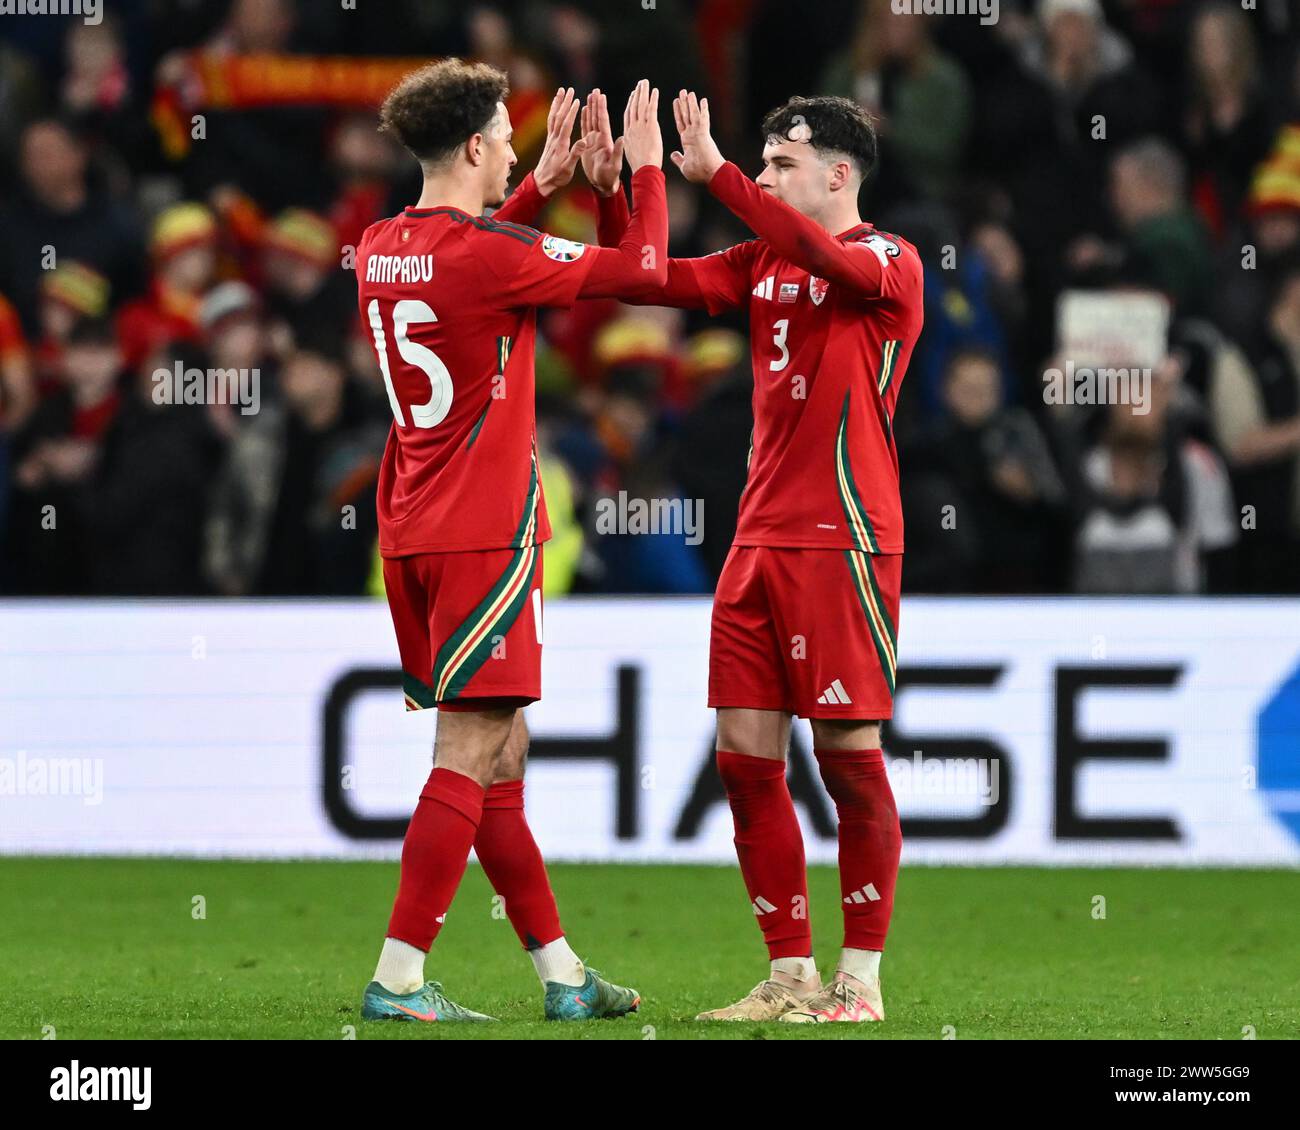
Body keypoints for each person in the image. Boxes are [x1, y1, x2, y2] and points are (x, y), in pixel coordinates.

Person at [574, 89, 922, 1022]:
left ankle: (862, 980)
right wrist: (628, 187)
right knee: (743, 760)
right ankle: (790, 974)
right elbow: (645, 282)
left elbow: (820, 253)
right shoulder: (761, 260)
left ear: (839, 174)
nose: (764, 177)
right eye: (760, 164)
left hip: (843, 539)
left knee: (848, 756)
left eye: (781, 164)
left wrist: (718, 175)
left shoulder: (890, 260)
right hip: (756, 539)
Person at [353, 65, 667, 1023]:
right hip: (483, 533)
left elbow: (475, 255)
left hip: (411, 529)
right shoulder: (492, 255)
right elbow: (644, 271)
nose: (518, 155)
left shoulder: (377, 245)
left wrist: (547, 186)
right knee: (467, 750)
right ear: (480, 148)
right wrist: (633, 180)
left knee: (502, 754)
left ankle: (563, 976)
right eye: (508, 138)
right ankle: (399, 981)